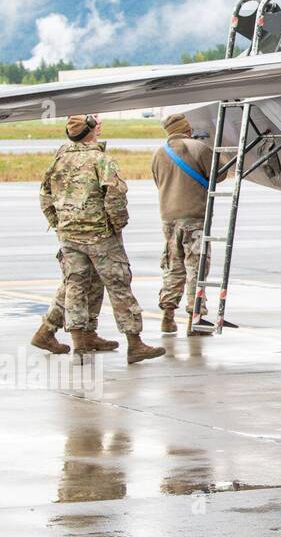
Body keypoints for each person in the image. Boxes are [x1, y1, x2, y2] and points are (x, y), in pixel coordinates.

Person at [39, 115, 165, 364]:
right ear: (91, 131)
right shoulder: (101, 159)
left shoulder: (59, 159)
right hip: (99, 235)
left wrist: (59, 224)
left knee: (75, 286)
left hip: (69, 235)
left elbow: (45, 196)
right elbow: (115, 195)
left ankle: (79, 339)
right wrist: (117, 224)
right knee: (119, 284)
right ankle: (134, 342)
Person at [151, 112, 225, 333]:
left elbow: (158, 181)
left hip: (169, 218)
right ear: (187, 128)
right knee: (196, 266)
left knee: (174, 266)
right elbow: (219, 175)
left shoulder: (159, 153)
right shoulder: (198, 148)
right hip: (194, 218)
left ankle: (167, 314)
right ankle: (195, 317)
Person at [29, 250, 106, 355]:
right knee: (76, 284)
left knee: (91, 279)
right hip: (80, 238)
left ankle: (87, 334)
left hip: (89, 238)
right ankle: (46, 331)